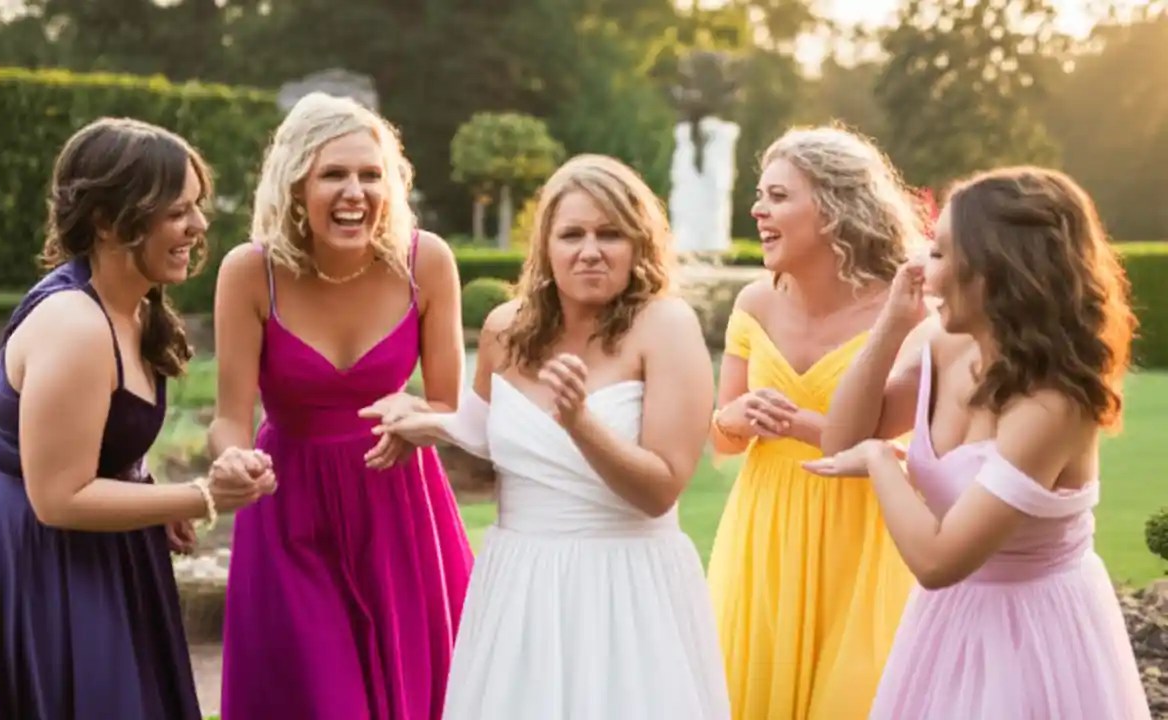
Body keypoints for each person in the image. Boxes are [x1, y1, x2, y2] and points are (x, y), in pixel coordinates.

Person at [367, 154, 730, 719]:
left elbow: (661, 488)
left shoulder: (667, 326)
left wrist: (580, 422)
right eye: (572, 234)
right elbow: (491, 451)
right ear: (546, 246)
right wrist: (426, 423)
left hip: (627, 587)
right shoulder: (505, 331)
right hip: (521, 581)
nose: (590, 250)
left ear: (638, 245)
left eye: (610, 234)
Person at [0, 117, 275, 720]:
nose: (199, 226)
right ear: (108, 221)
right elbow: (57, 497)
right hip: (49, 566)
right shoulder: (75, 326)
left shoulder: (131, 306)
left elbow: (103, 444)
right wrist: (201, 496)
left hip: (100, 550)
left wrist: (148, 498)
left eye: (197, 207)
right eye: (177, 211)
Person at [811, 166, 1151, 719]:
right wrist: (892, 325)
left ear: (994, 269)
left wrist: (881, 460)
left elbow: (939, 560)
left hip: (1037, 637)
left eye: (941, 253)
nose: (921, 266)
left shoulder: (1052, 405)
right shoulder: (943, 345)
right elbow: (839, 438)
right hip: (946, 622)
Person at [211, 92, 473, 719]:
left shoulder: (426, 262)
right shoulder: (251, 273)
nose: (355, 191)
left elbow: (449, 404)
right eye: (334, 174)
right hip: (288, 510)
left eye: (370, 174)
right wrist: (234, 460)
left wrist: (418, 419)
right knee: (324, 700)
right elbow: (228, 417)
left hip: (401, 510)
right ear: (296, 184)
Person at [706, 126, 925, 719]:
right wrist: (734, 416)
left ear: (833, 209)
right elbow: (719, 441)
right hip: (765, 525)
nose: (758, 209)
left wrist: (799, 420)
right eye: (760, 195)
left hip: (863, 531)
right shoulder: (753, 303)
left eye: (778, 196)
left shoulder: (906, 313)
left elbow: (870, 437)